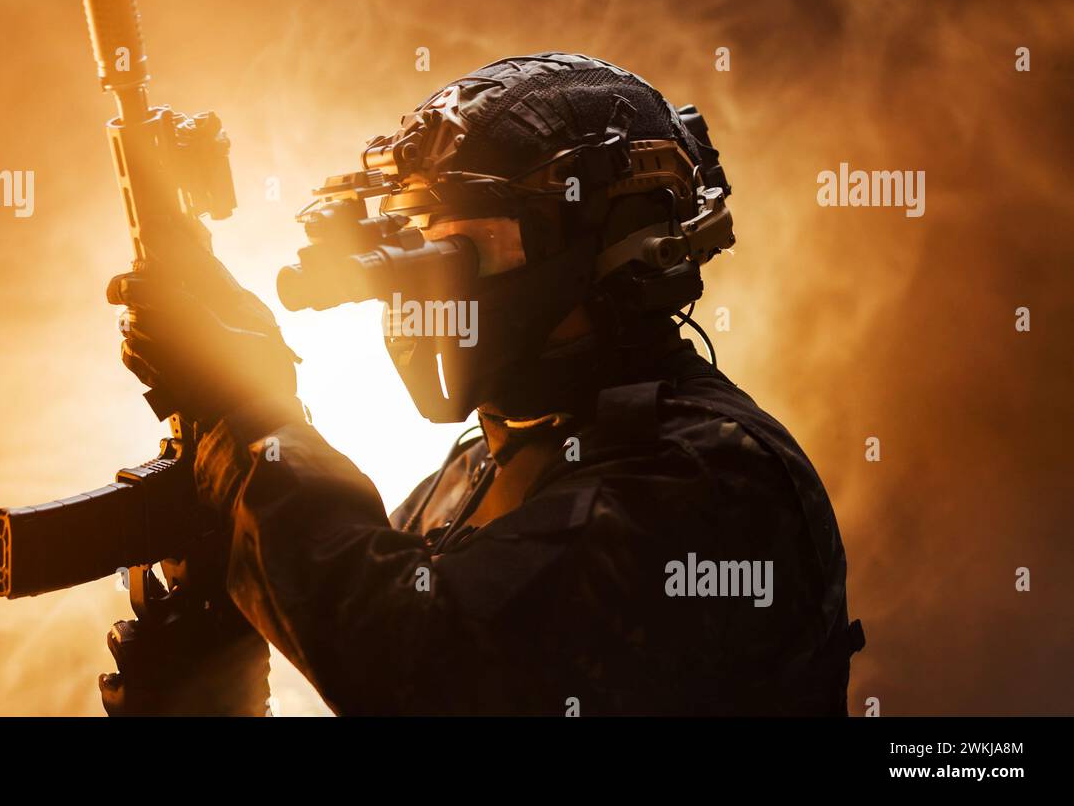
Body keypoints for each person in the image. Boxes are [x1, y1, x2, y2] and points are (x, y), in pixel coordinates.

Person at [97, 52, 862, 716]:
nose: (424, 282)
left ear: (596, 243)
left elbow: (424, 671)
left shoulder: (717, 479)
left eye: (459, 245)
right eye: (416, 239)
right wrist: (214, 678)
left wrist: (247, 426)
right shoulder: (473, 472)